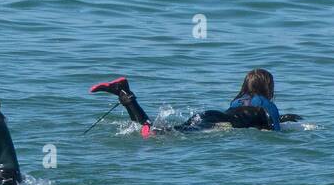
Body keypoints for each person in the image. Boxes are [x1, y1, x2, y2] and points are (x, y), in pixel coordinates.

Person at [90, 68, 292, 136]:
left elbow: (244, 118)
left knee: (173, 130)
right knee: (169, 134)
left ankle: (125, 94)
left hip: (209, 115)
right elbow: (275, 131)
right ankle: (130, 101)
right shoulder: (266, 104)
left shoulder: (239, 101)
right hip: (217, 122)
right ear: (268, 88)